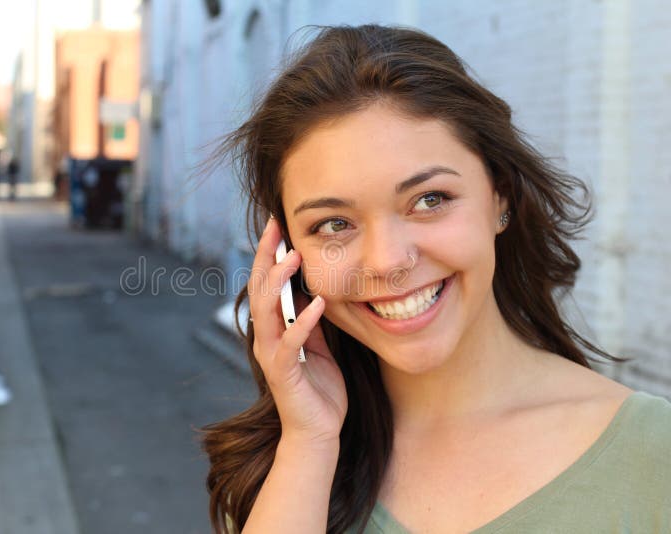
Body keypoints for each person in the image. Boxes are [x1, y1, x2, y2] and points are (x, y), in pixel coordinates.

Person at [199, 25, 671, 533]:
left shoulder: (654, 458)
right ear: (290, 254)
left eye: (429, 200)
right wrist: (309, 444)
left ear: (501, 197)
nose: (386, 262)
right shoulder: (281, 472)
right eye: (333, 224)